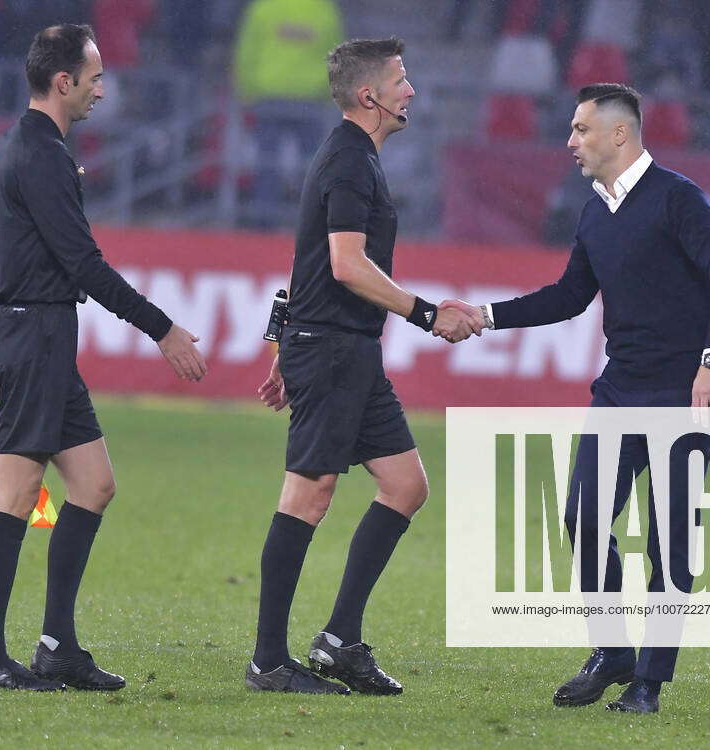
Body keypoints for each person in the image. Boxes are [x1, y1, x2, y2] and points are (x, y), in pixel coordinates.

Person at [442, 83, 710, 713]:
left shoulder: (676, 197)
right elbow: (569, 296)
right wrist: (486, 316)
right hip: (619, 390)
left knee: (669, 540)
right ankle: (612, 651)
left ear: (619, 133)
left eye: (581, 129)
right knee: (583, 517)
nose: (571, 142)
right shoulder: (593, 213)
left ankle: (648, 683)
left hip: (683, 395)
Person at [0, 23, 206, 691]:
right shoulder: (40, 157)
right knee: (16, 495)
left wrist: (1, 343)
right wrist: (162, 328)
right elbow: (84, 264)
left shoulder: (18, 145)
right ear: (63, 81)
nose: (102, 89)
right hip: (34, 336)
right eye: (95, 78)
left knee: (94, 484)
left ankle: (56, 647)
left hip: (36, 337)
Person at [247, 37, 479, 695]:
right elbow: (346, 265)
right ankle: (268, 661)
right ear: (369, 94)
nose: (412, 90)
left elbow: (307, 257)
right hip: (330, 347)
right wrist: (427, 314)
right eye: (401, 80)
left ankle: (339, 641)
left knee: (405, 486)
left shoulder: (354, 158)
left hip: (343, 348)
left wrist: (280, 341)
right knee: (309, 492)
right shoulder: (349, 161)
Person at [232, 0, 344, 227]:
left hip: (269, 94)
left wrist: (245, 91)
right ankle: (310, 222)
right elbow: (338, 58)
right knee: (310, 165)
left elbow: (247, 51)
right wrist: (330, 92)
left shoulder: (264, 7)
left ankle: (264, 220)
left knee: (267, 162)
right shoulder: (324, 10)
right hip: (310, 97)